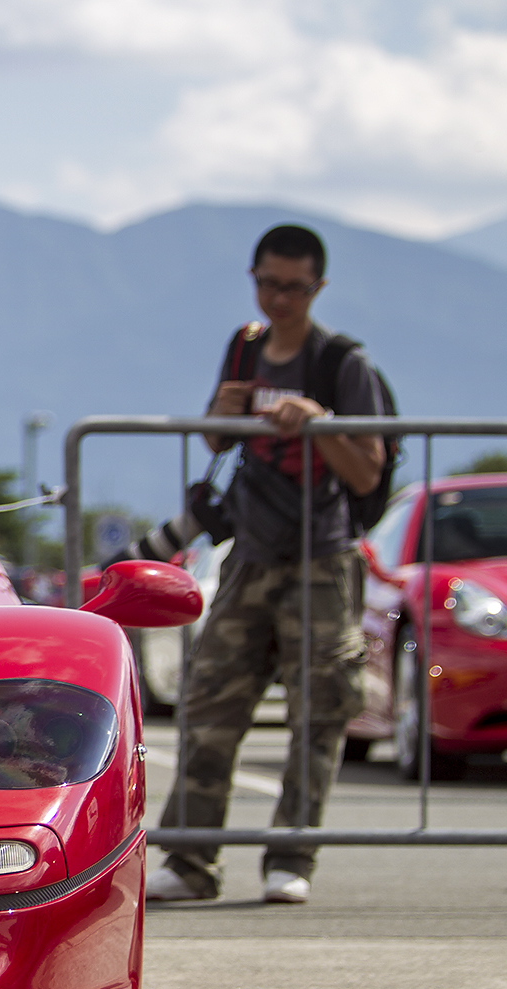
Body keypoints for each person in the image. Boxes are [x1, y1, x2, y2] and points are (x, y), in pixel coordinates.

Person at [148, 224, 387, 906]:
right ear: (253, 279)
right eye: (269, 284)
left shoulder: (341, 361)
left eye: (295, 288)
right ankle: (191, 860)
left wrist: (319, 423)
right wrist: (220, 413)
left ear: (318, 288)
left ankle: (291, 856)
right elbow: (218, 441)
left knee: (319, 713)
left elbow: (367, 472)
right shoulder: (245, 346)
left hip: (322, 558)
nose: (280, 299)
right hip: (250, 554)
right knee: (209, 702)